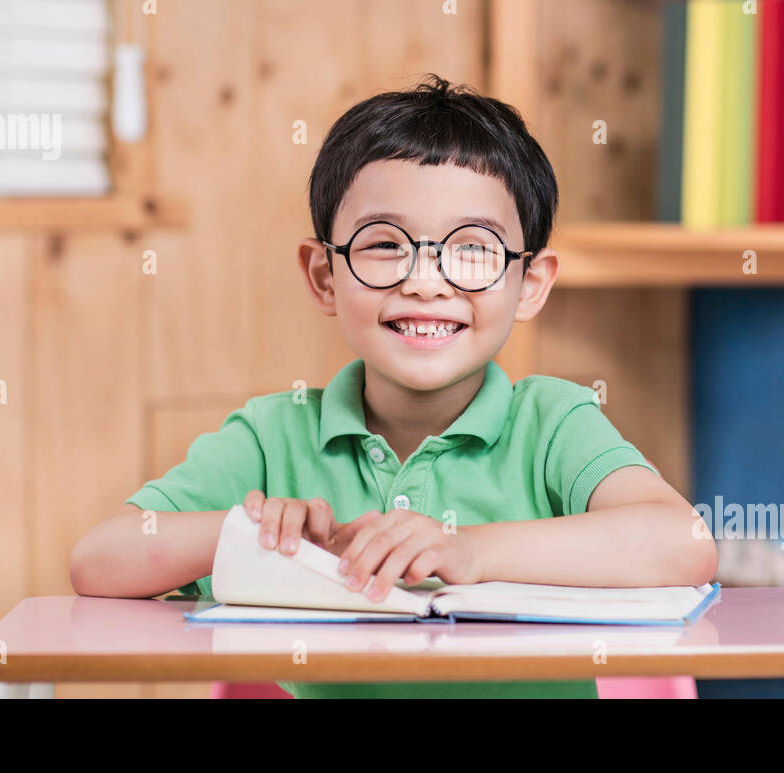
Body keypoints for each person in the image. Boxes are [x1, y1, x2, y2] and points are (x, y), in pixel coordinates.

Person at [70, 74, 717, 697]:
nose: (425, 281)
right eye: (385, 245)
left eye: (473, 248)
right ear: (325, 275)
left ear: (532, 283)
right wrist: (253, 535)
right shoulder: (274, 434)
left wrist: (468, 551)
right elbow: (99, 560)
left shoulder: (554, 421)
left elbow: (683, 543)